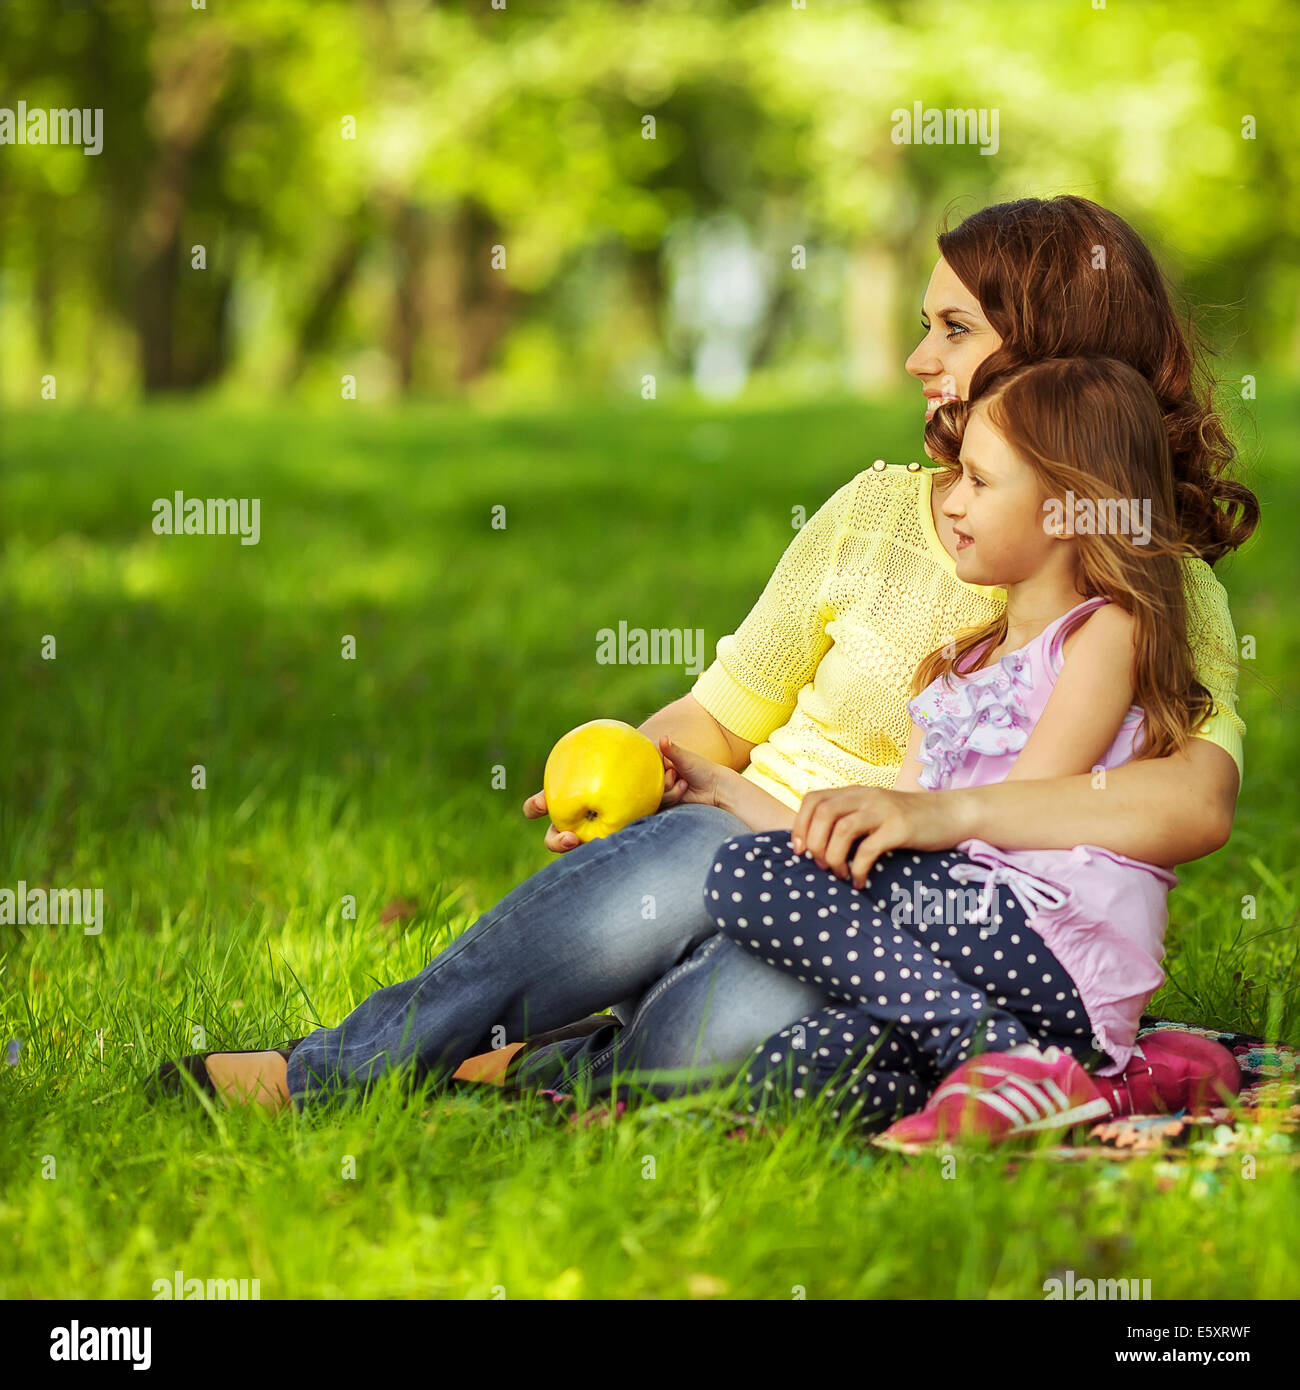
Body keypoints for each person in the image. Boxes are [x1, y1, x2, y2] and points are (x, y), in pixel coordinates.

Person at [149, 196, 1256, 1113]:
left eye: (955, 329)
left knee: (715, 1039)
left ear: (1057, 355)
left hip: (881, 913)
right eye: (924, 323)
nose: (920, 357)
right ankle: (333, 1073)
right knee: (684, 864)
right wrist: (638, 764)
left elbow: (1191, 802)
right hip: (737, 836)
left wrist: (929, 821)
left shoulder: (1143, 582)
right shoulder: (875, 513)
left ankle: (546, 1067)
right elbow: (720, 713)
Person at [694, 356, 1243, 1145]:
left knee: (747, 874)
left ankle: (993, 1052)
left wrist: (899, 828)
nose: (949, 503)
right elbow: (869, 839)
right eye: (954, 480)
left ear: (1068, 510)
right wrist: (719, 787)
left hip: (1048, 939)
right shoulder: (952, 671)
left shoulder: (1102, 633)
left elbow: (1017, 817)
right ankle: (1112, 1080)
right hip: (966, 944)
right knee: (790, 1074)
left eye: (980, 484)